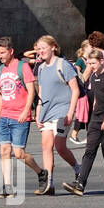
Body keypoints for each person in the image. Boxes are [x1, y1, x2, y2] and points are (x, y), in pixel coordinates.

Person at [0, 36, 46, 199]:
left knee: (19, 153)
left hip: (19, 117)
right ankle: (7, 186)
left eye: (2, 52)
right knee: (4, 151)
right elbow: (0, 96)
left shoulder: (23, 67)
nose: (0, 56)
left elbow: (32, 92)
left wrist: (26, 112)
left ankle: (41, 172)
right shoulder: (0, 70)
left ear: (11, 51)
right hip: (4, 117)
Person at [63, 47, 104, 196]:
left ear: (101, 61)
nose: (91, 66)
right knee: (90, 150)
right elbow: (96, 99)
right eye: (89, 63)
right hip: (96, 118)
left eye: (93, 63)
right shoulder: (93, 77)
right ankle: (80, 183)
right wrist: (93, 117)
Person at [32, 35, 80, 196]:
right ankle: (49, 183)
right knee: (46, 146)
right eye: (38, 49)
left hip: (62, 110)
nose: (40, 52)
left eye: (43, 48)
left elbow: (75, 90)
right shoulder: (40, 68)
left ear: (53, 47)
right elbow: (42, 93)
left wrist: (70, 113)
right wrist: (38, 113)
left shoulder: (63, 65)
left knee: (60, 146)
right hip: (46, 111)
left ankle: (78, 170)